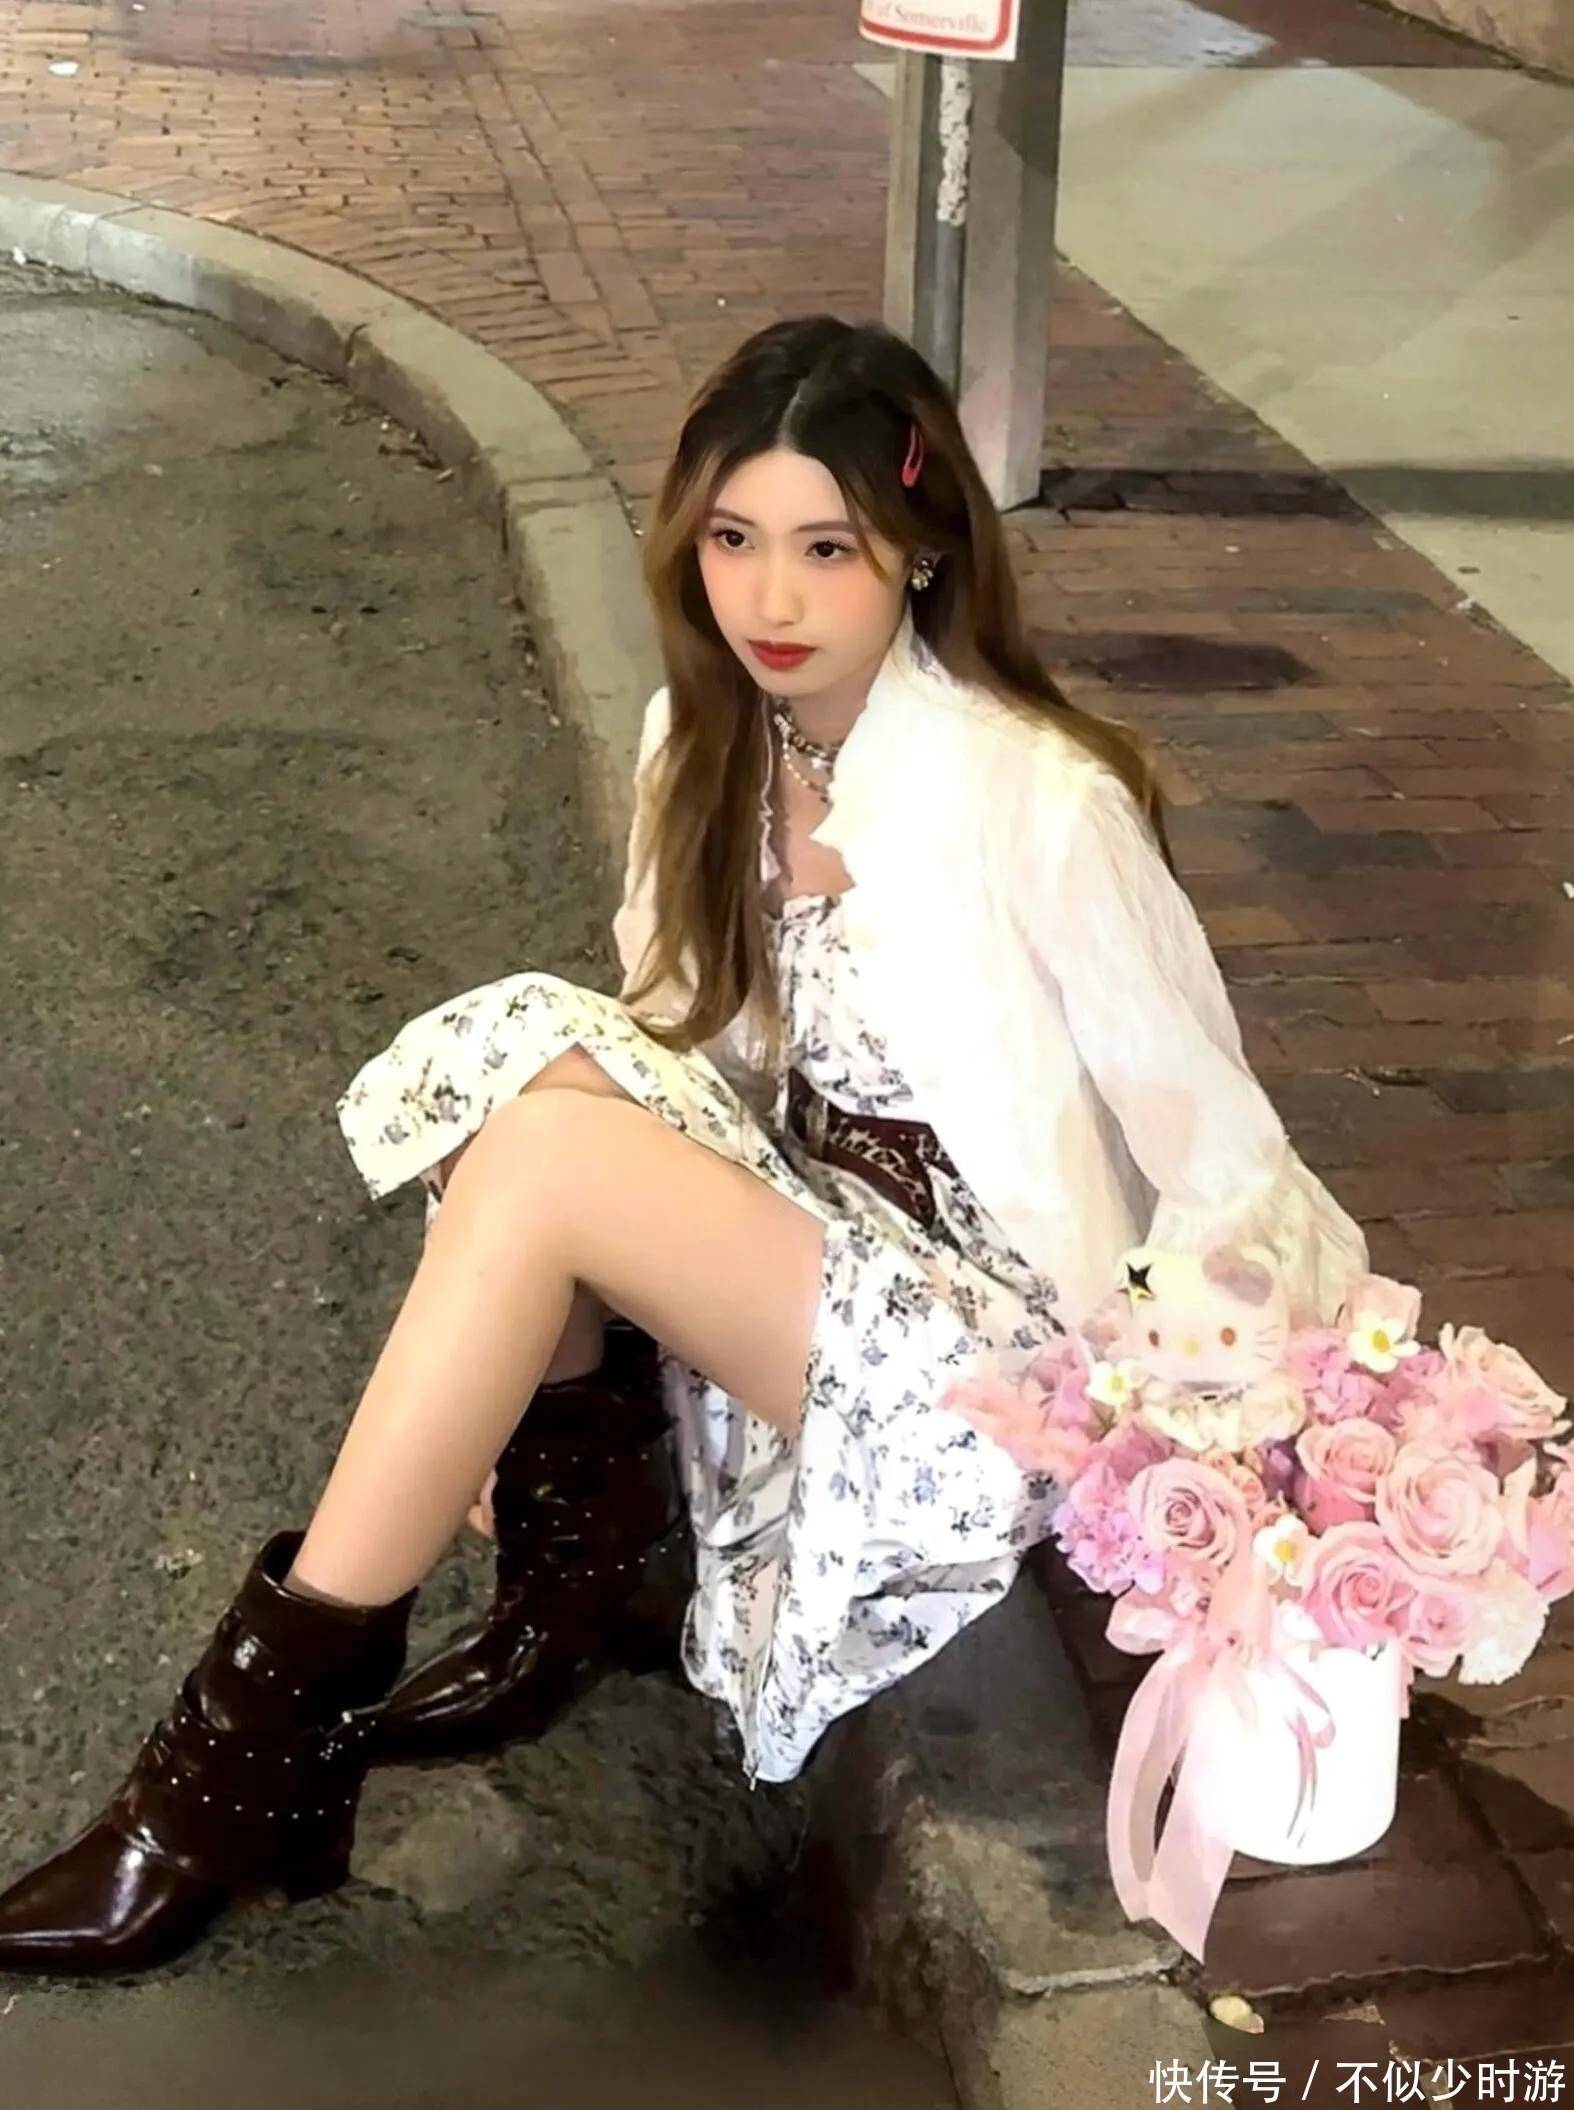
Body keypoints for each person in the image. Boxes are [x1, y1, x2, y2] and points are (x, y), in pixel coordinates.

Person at [0, 314, 1369, 1977]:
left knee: (548, 1157)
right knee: (532, 1066)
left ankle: (225, 1783)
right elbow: (669, 1060)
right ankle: (575, 1584)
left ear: (922, 552)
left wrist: (1232, 1458)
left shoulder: (1041, 798)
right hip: (816, 1260)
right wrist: (512, 1304)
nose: (769, 598)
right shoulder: (704, 744)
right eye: (733, 539)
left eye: (825, 549)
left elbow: (1221, 1156)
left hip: (997, 1368)